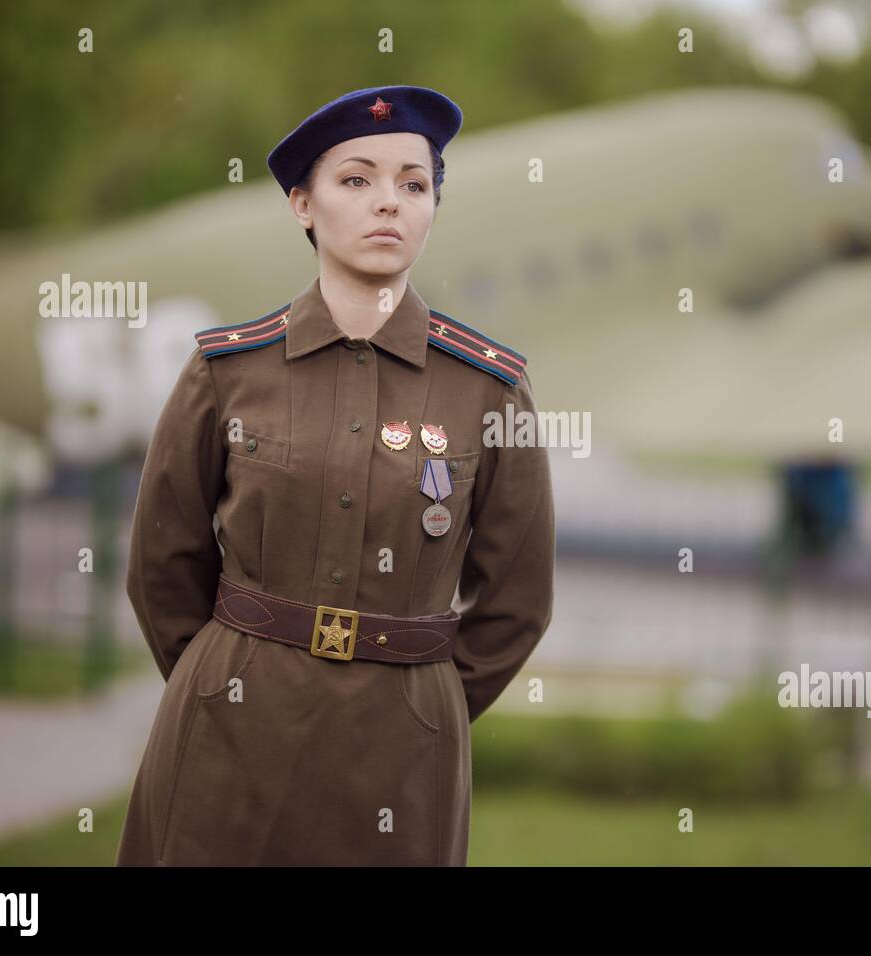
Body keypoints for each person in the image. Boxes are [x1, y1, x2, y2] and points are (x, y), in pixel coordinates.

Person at [115, 85, 556, 866]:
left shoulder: (490, 388)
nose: (389, 202)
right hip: (229, 730)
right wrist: (227, 681)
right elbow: (162, 566)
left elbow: (517, 598)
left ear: (433, 208)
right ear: (302, 205)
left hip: (403, 755)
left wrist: (425, 702)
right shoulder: (227, 372)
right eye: (357, 179)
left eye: (413, 185)